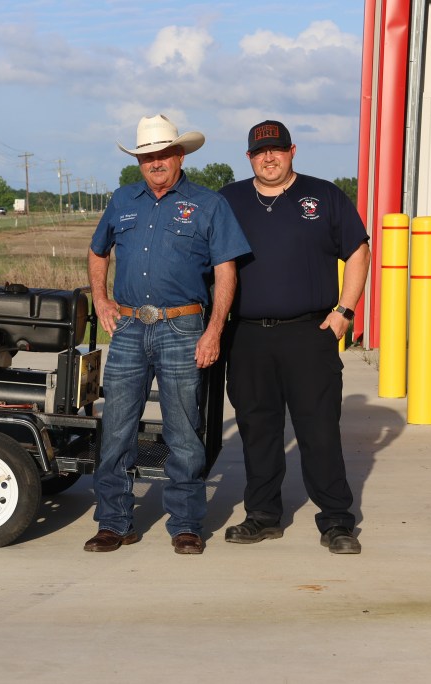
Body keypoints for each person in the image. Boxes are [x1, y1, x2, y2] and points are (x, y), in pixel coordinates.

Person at [86, 115, 251, 554]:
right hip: (127, 327)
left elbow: (226, 271)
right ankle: (114, 522)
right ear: (139, 162)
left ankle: (186, 524)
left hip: (183, 327)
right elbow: (98, 251)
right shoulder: (123, 199)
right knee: (116, 429)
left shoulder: (208, 204)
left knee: (184, 432)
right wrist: (100, 300)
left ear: (180, 155)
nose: (155, 163)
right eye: (147, 157)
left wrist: (214, 330)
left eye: (163, 154)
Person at [218, 120, 371, 554]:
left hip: (309, 334)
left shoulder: (324, 196)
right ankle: (263, 516)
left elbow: (358, 250)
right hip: (248, 337)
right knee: (258, 430)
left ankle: (337, 520)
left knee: (319, 430)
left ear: (292, 151)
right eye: (260, 152)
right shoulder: (228, 200)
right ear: (249, 157)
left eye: (277, 149)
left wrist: (345, 311)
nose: (269, 158)